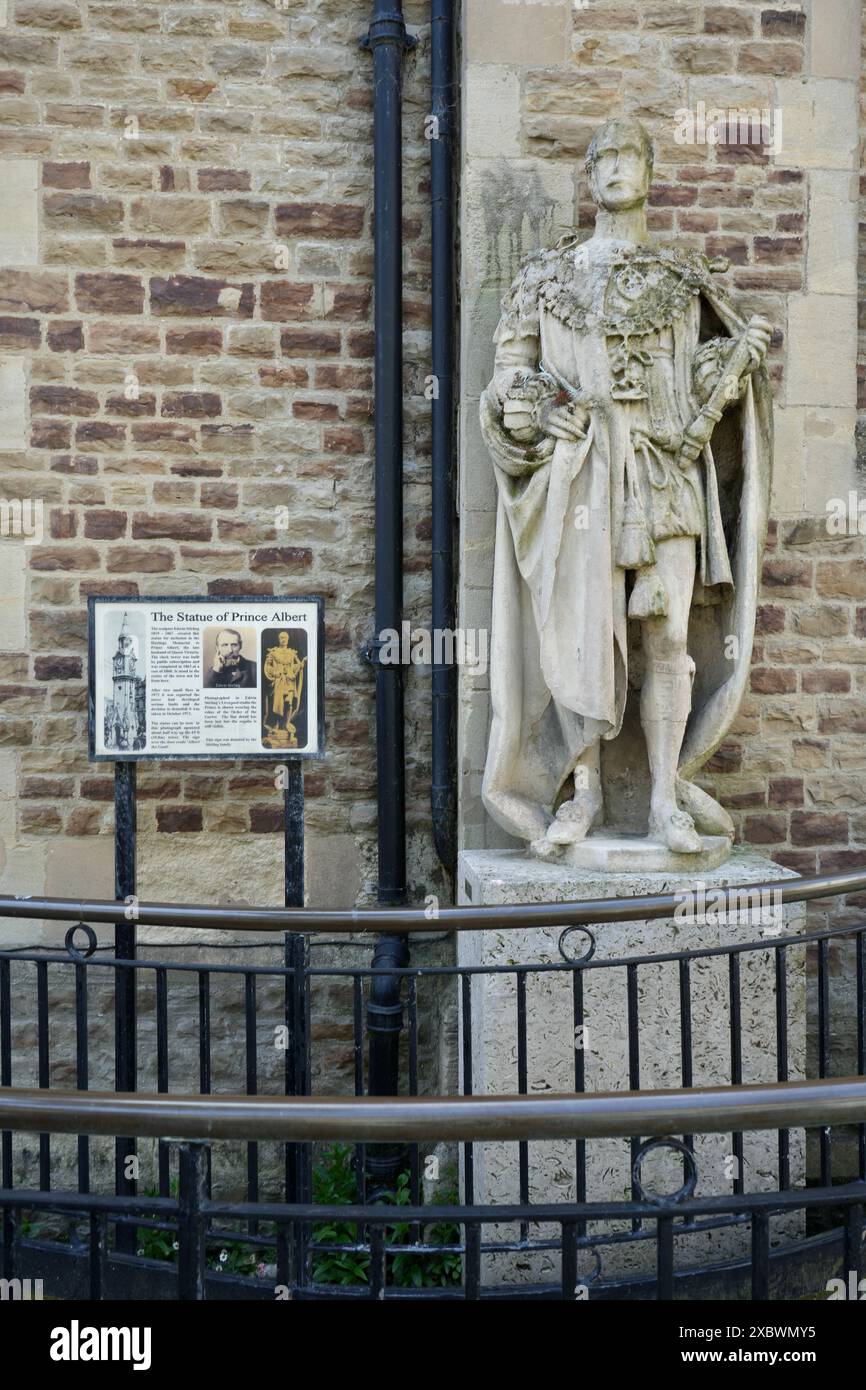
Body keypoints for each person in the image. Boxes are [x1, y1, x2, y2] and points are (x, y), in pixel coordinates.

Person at [480, 115, 773, 859]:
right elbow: (510, 373)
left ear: (648, 172)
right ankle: (584, 794)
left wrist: (726, 375)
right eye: (602, 157)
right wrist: (518, 403)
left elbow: (712, 381)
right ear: (589, 176)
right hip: (580, 478)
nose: (615, 168)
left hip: (666, 469)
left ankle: (666, 801)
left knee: (668, 632)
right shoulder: (547, 280)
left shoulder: (683, 282)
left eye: (627, 156)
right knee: (585, 638)